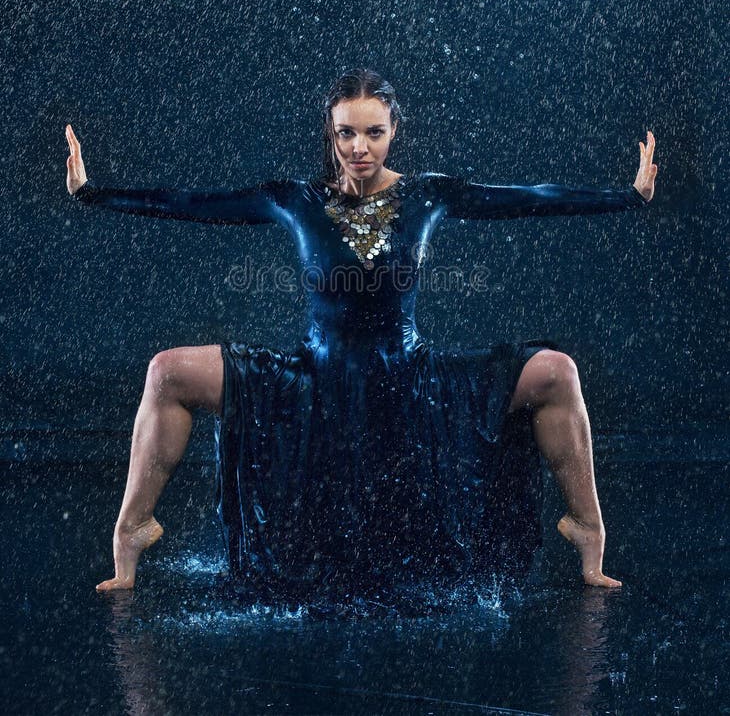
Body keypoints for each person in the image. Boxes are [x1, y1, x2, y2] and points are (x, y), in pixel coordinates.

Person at [66, 68, 657, 596]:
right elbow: (193, 203)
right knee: (167, 371)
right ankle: (133, 527)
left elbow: (530, 200)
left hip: (410, 378)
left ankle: (586, 527)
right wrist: (95, 192)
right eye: (346, 132)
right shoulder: (294, 199)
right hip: (314, 379)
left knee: (558, 372)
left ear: (394, 129)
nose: (359, 147)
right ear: (331, 134)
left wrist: (627, 196)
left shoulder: (429, 194)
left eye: (373, 132)